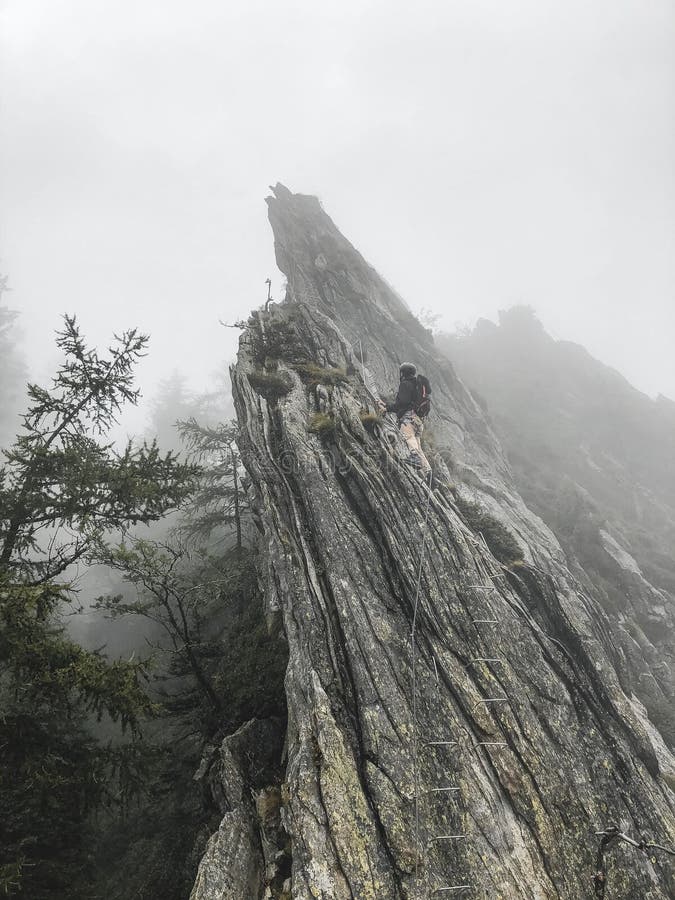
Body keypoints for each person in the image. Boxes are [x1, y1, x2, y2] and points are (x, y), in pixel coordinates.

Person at [379, 363, 432, 478]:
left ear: (404, 373)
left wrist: (387, 408)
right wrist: (387, 405)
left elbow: (401, 403)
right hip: (419, 421)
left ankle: (415, 457)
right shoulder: (417, 385)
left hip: (409, 418)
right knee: (418, 446)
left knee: (408, 437)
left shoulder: (405, 384)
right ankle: (428, 472)